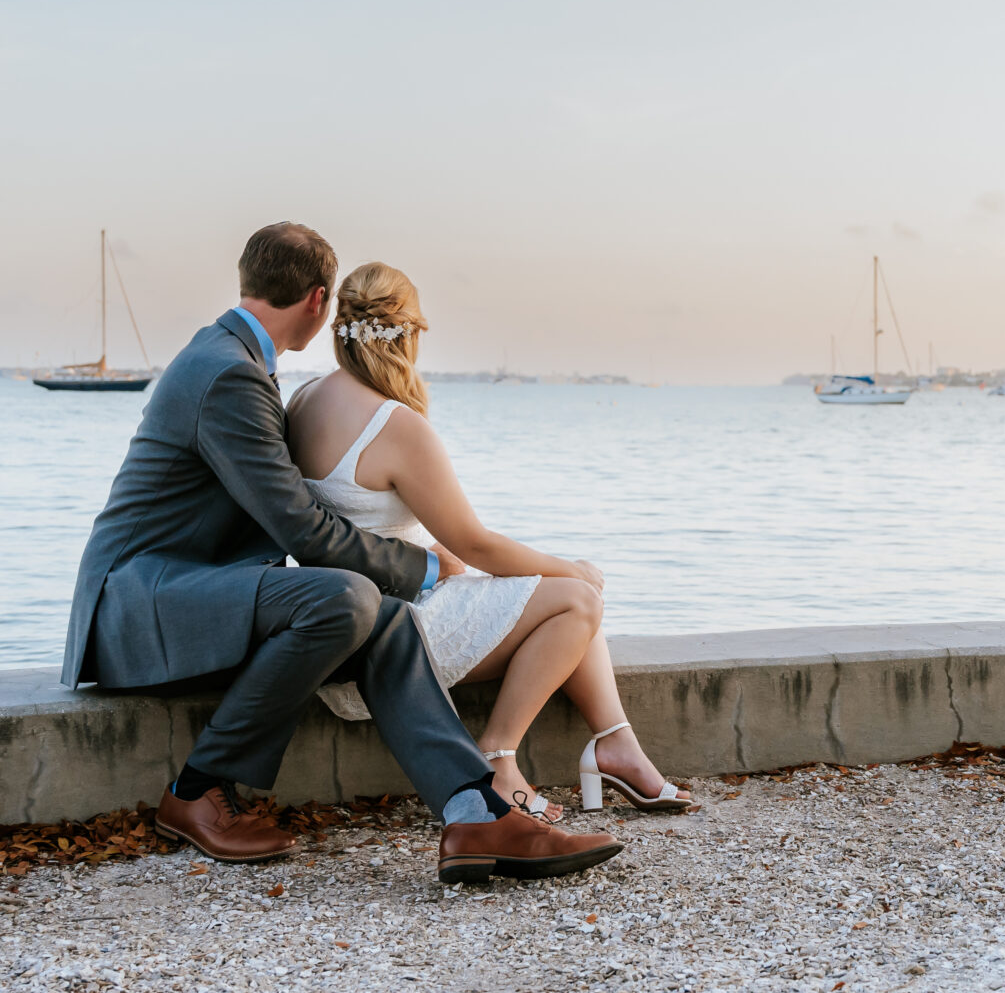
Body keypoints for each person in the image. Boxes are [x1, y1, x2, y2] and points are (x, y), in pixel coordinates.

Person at [61, 222, 623, 884]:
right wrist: (430, 568)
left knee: (379, 612)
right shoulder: (227, 375)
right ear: (318, 300)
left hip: (185, 587)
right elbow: (303, 533)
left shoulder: (229, 358)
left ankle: (475, 812)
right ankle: (194, 790)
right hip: (140, 602)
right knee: (350, 595)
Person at [286, 261, 693, 820]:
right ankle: (497, 759)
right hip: (396, 637)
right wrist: (569, 567)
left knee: (559, 598)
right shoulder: (394, 424)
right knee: (576, 599)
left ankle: (615, 744)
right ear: (410, 332)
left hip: (346, 624)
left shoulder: (303, 401)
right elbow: (474, 544)